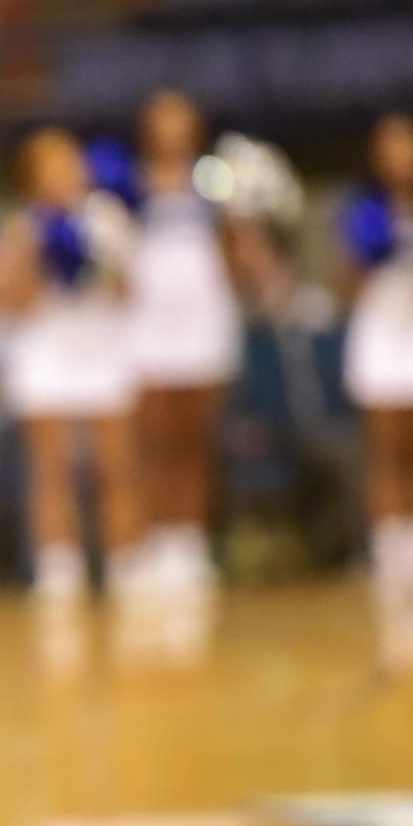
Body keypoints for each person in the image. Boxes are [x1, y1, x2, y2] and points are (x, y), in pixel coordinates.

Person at [0, 127, 144, 601]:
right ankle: (59, 568)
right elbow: (12, 302)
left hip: (101, 348)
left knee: (115, 467)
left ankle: (126, 564)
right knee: (51, 470)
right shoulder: (23, 227)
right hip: (47, 351)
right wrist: (37, 258)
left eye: (68, 164)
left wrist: (98, 261)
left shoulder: (106, 219)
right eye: (49, 167)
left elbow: (127, 292)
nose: (61, 175)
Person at [125, 91, 238, 591]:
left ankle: (190, 543)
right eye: (162, 121)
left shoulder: (214, 183)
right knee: (154, 441)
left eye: (180, 121)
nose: (172, 131)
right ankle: (153, 541)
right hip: (147, 323)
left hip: (202, 321)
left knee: (194, 441)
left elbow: (233, 252)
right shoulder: (128, 186)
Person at [338, 113, 413, 611]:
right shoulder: (364, 211)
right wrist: (366, 257)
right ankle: (391, 546)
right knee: (388, 448)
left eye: (408, 146)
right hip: (382, 333)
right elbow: (346, 285)